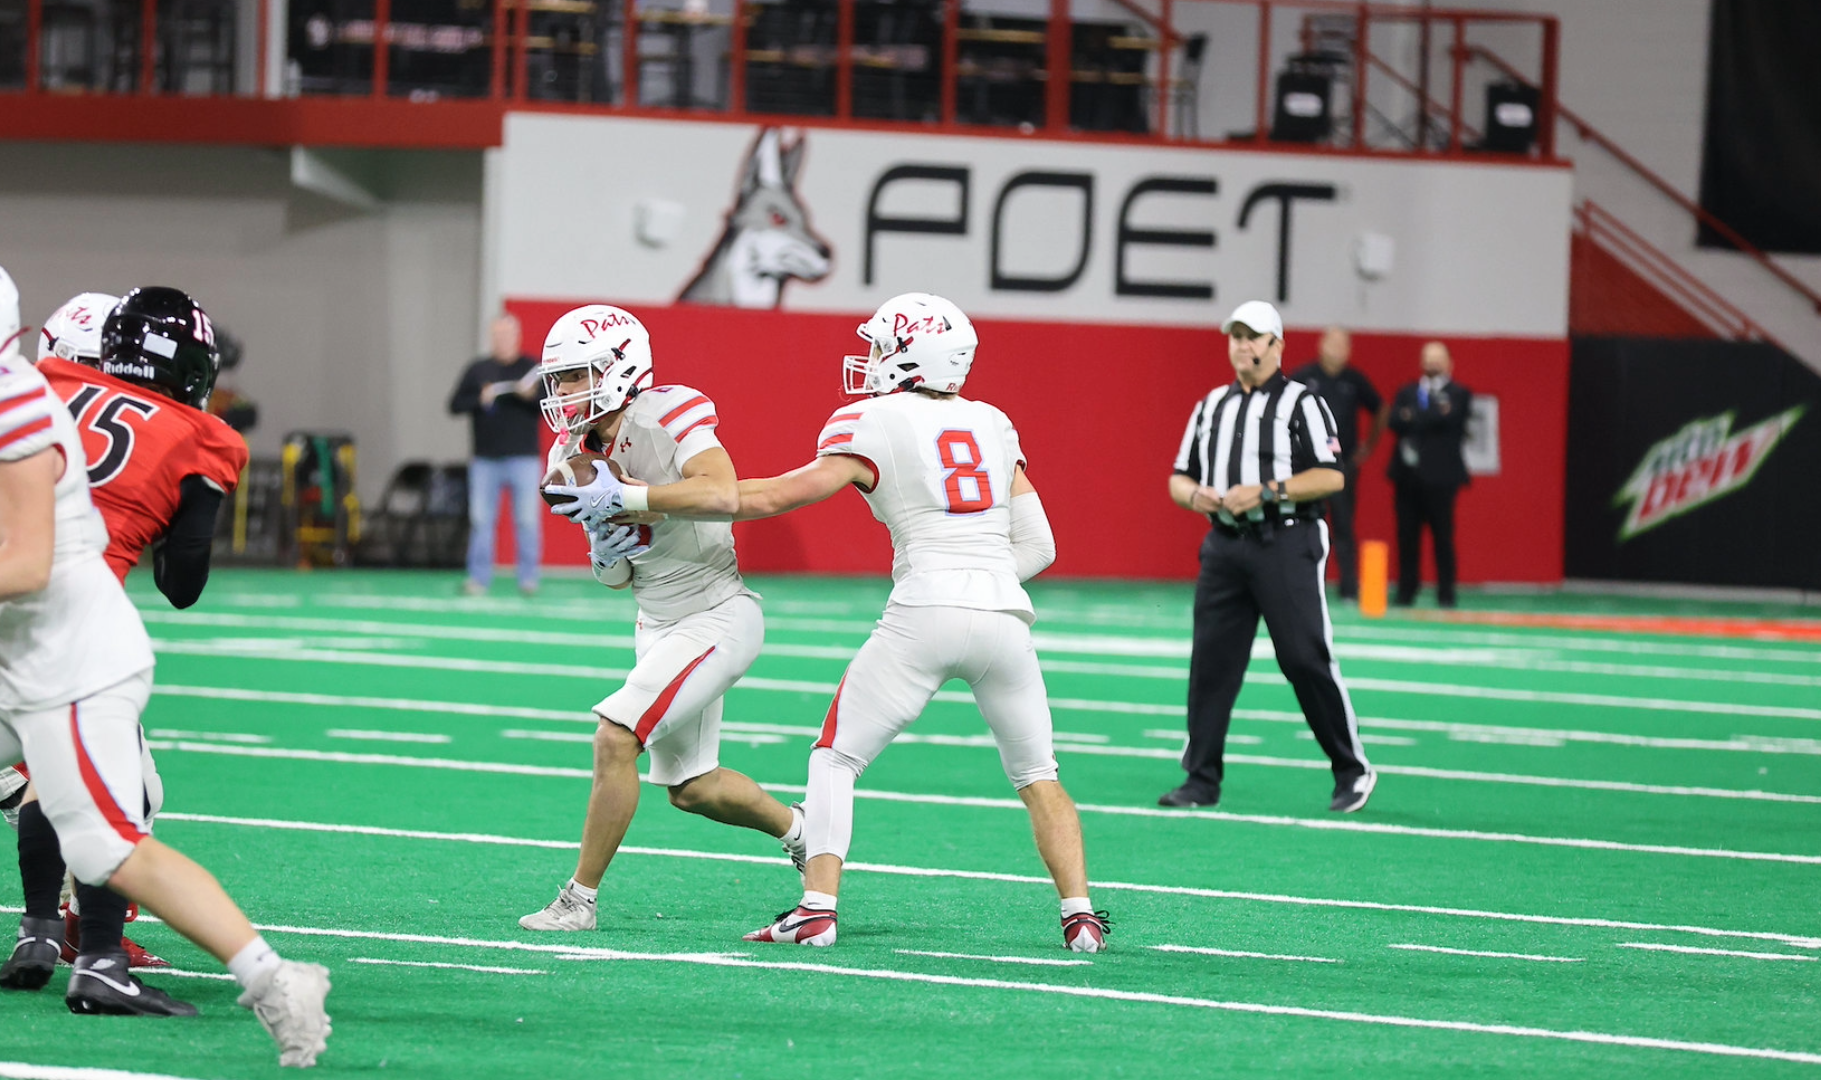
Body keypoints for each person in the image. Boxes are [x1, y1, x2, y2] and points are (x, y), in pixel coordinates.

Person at [639, 292, 1106, 952]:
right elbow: (1041, 546)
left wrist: (644, 497)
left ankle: (817, 910)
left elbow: (775, 496)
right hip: (1004, 618)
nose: (872, 358)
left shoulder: (871, 420)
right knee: (1039, 775)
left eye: (883, 346)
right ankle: (1080, 918)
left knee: (835, 757)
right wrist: (980, 578)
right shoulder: (993, 422)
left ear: (912, 356)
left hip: (924, 612)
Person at [0, 267, 330, 1063]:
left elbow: (29, 562)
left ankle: (272, 980)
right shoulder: (45, 390)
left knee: (109, 840)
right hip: (34, 633)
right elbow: (180, 580)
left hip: (66, 645)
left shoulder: (29, 396)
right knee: (106, 822)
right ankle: (72, 942)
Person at [518, 304, 806, 933]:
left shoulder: (668, 412)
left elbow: (721, 490)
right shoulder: (572, 453)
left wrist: (627, 497)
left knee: (614, 736)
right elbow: (618, 578)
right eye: (558, 378)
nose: (563, 392)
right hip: (655, 622)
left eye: (576, 376)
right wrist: (604, 547)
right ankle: (805, 832)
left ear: (620, 369)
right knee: (692, 788)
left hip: (716, 613)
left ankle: (578, 901)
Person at [1, 288, 247, 984]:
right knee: (121, 788)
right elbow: (181, 583)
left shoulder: (42, 384)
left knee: (67, 775)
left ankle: (45, 932)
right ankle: (98, 951)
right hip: (58, 624)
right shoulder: (198, 434)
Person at [1161, 300, 1375, 813]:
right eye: (1235, 336)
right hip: (1224, 545)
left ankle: (1351, 768)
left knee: (1303, 656)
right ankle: (1201, 778)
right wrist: (1196, 496)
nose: (1242, 345)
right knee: (1212, 662)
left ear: (1277, 345)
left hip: (1286, 540)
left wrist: (1267, 491)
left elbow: (1331, 476)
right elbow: (1179, 477)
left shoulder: (1302, 402)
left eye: (1252, 336)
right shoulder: (1212, 404)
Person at [448, 313, 543, 596]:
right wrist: (480, 399)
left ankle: (528, 578)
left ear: (517, 336)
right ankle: (479, 578)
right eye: (498, 335)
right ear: (492, 337)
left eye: (507, 335)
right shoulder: (478, 369)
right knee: (481, 521)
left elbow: (550, 406)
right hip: (485, 459)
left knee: (527, 520)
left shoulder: (532, 368)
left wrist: (529, 396)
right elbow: (454, 405)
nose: (503, 340)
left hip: (524, 457)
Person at [1289, 326, 1385, 602]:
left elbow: (1380, 408)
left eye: (1343, 345)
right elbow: (1281, 408)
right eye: (1333, 343)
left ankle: (1349, 589)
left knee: (1343, 526)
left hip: (1343, 465)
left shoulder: (1354, 380)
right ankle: (1303, 585)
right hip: (1307, 466)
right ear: (1321, 345)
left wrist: (1367, 447)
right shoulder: (1303, 377)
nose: (1337, 350)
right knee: (1304, 523)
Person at [1386, 341, 1473, 608]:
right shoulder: (1407, 391)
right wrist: (1428, 414)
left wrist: (1413, 415)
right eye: (1428, 357)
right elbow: (1394, 421)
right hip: (1407, 478)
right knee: (1407, 537)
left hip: (1442, 478)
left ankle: (1446, 593)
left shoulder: (1459, 393)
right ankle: (1406, 591)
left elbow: (1448, 419)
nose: (1432, 362)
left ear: (1449, 363)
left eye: (1438, 358)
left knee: (1443, 537)